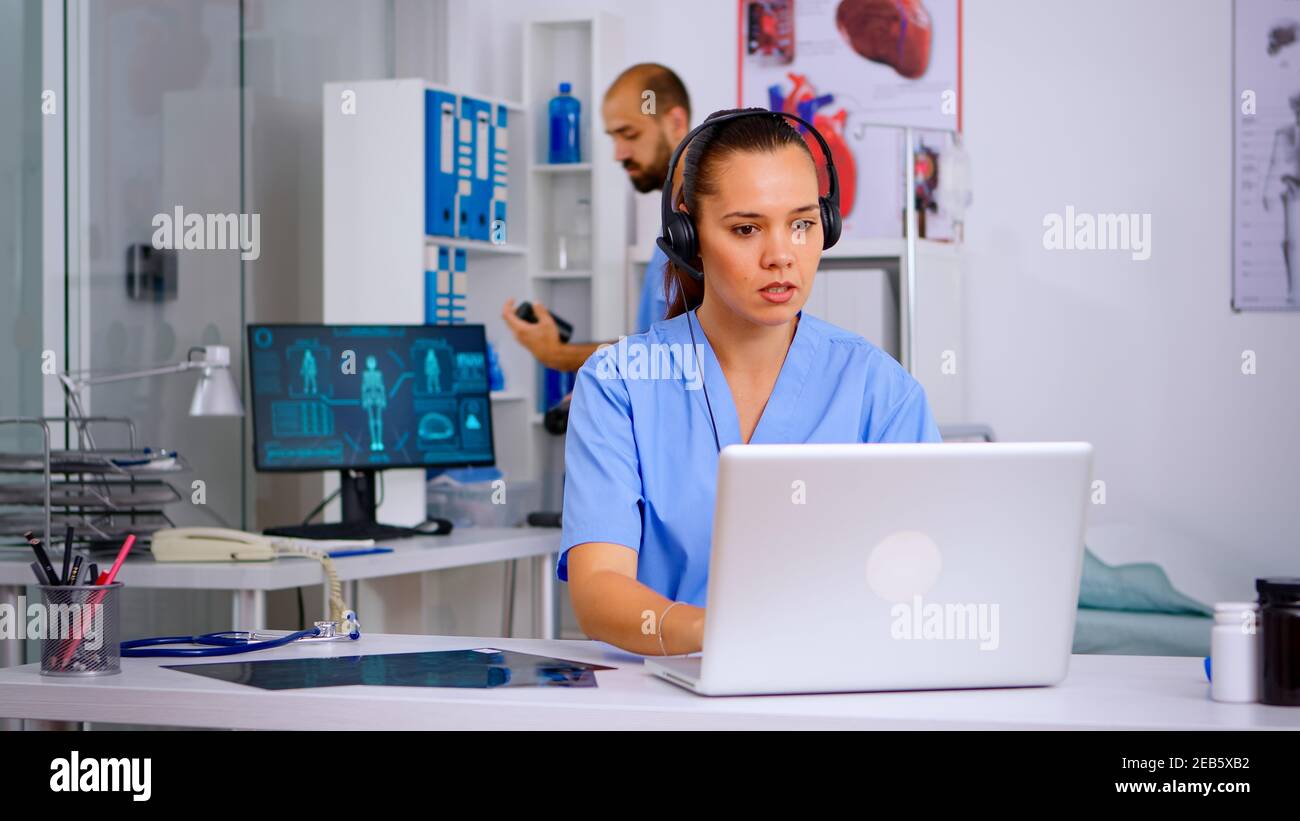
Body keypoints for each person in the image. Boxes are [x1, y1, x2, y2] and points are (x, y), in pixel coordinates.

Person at [558, 109, 942, 656]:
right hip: (662, 694)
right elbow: (598, 589)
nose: (781, 255)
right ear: (689, 236)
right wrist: (718, 637)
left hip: (837, 689)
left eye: (803, 224)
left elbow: (922, 572)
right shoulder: (619, 383)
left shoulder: (880, 390)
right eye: (746, 228)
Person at [501, 63, 692, 369]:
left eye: (629, 134)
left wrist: (559, 355)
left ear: (675, 122)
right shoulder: (673, 224)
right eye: (613, 138)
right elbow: (650, 346)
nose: (619, 153)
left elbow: (672, 358)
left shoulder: (698, 222)